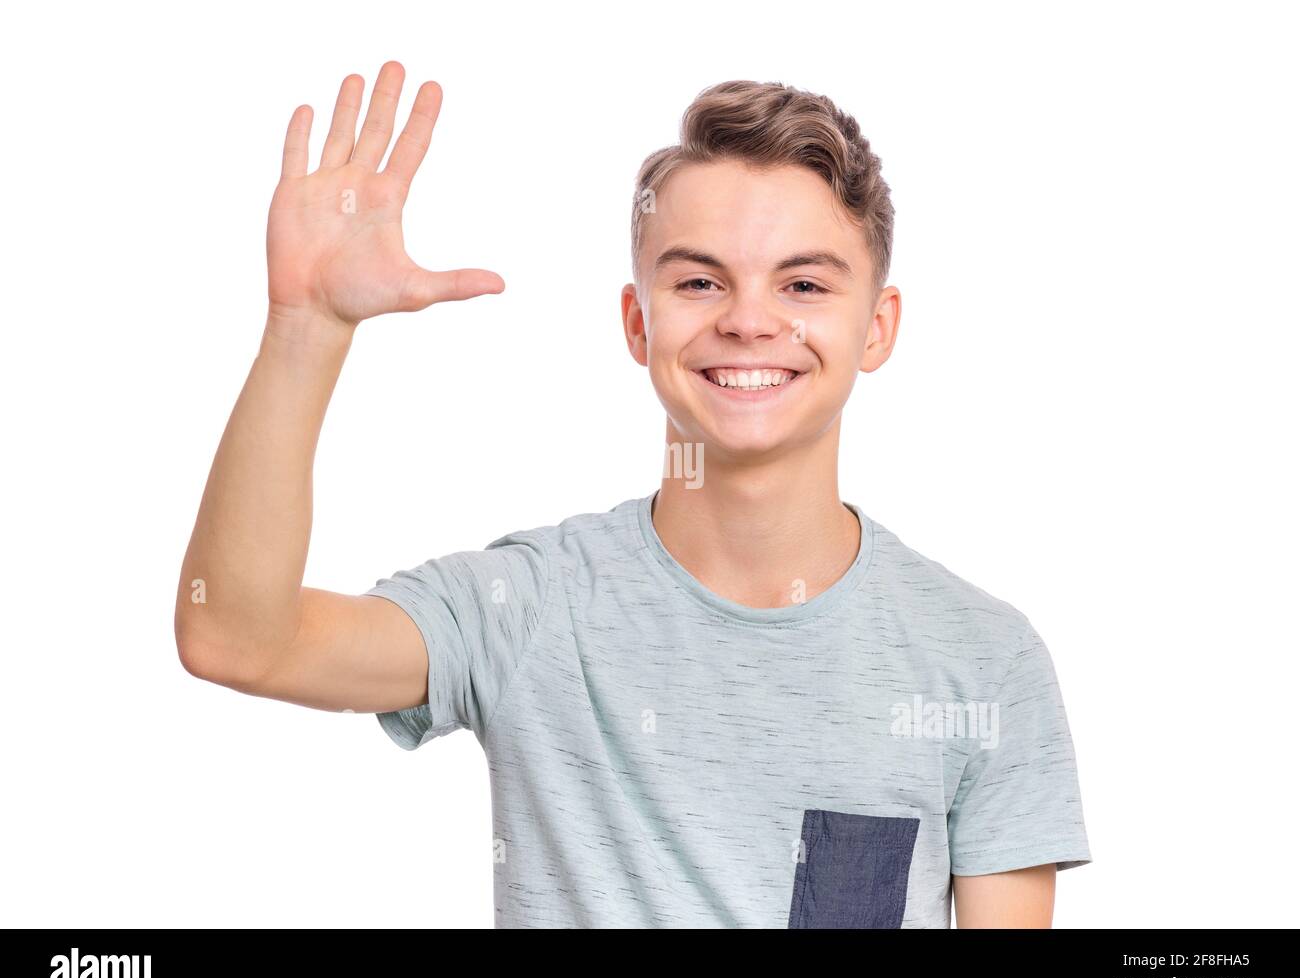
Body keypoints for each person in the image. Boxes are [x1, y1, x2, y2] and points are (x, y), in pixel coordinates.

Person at [174, 61, 1092, 929]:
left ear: (876, 327)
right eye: (699, 280)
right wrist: (307, 328)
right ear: (635, 320)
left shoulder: (981, 662)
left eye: (803, 283)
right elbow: (234, 637)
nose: (747, 319)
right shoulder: (527, 607)